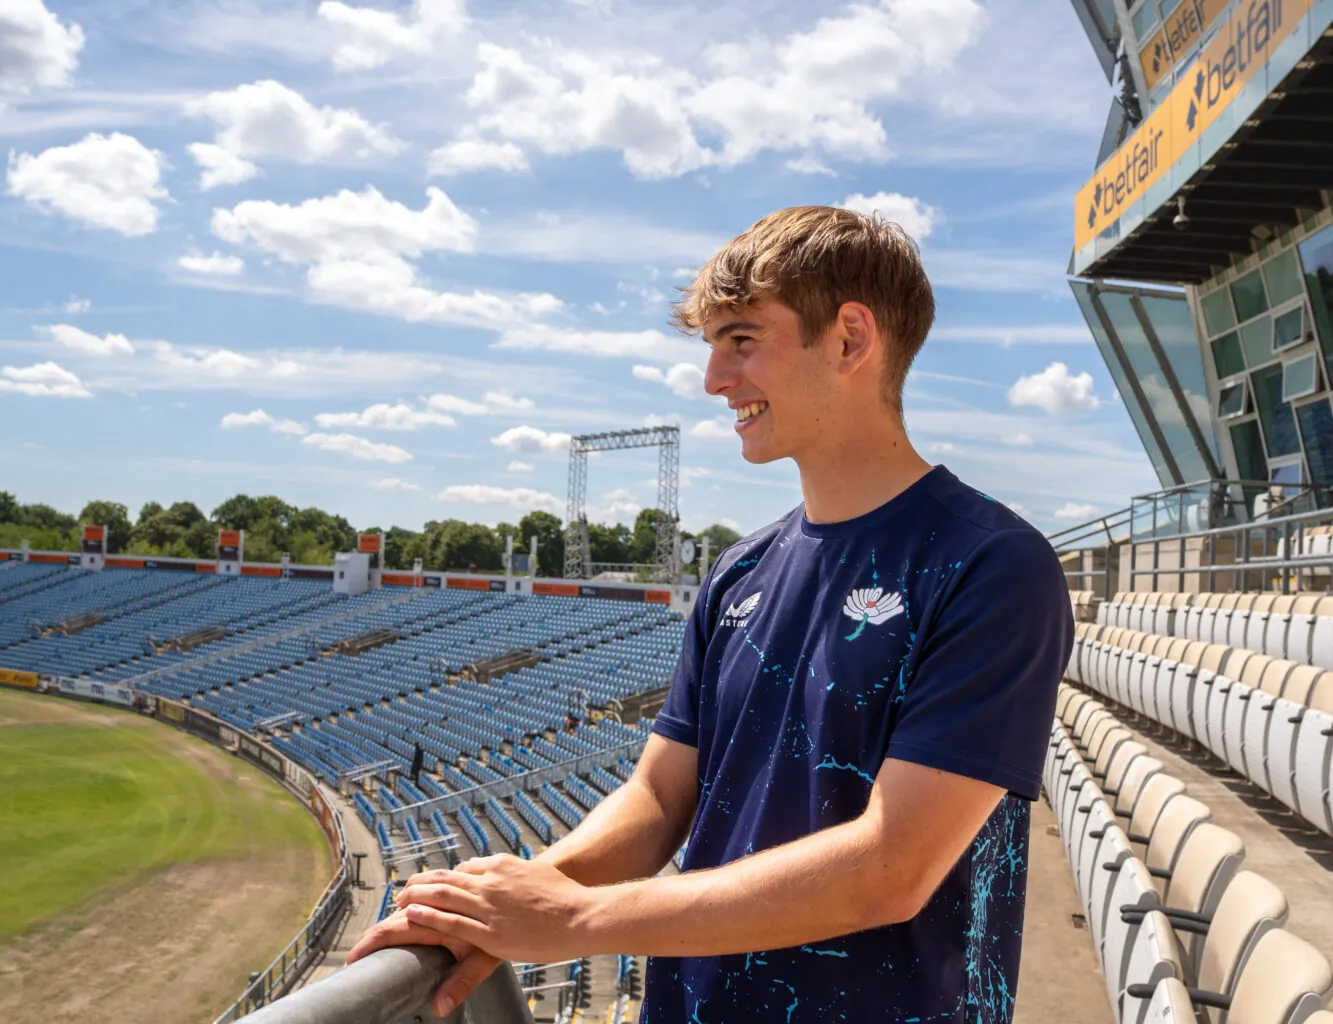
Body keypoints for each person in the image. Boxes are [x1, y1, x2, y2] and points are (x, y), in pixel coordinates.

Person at [348, 206, 1072, 1023]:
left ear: (849, 339)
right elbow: (660, 799)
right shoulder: (739, 572)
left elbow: (891, 866)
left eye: (742, 340)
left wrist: (575, 918)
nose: (714, 380)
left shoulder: (990, 566)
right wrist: (514, 898)